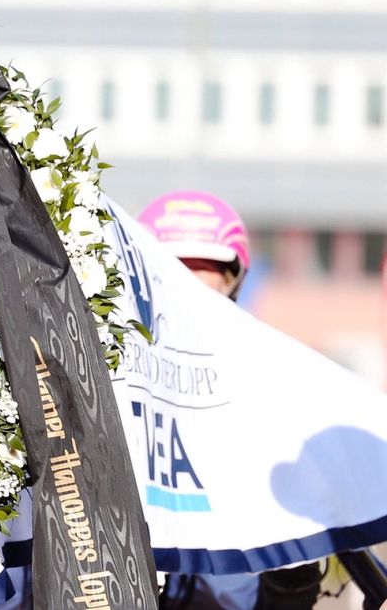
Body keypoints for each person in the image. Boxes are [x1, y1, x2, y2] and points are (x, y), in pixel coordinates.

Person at [138, 190, 325, 610]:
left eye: (205, 295)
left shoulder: (265, 384)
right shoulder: (110, 379)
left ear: (234, 285)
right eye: (174, 286)